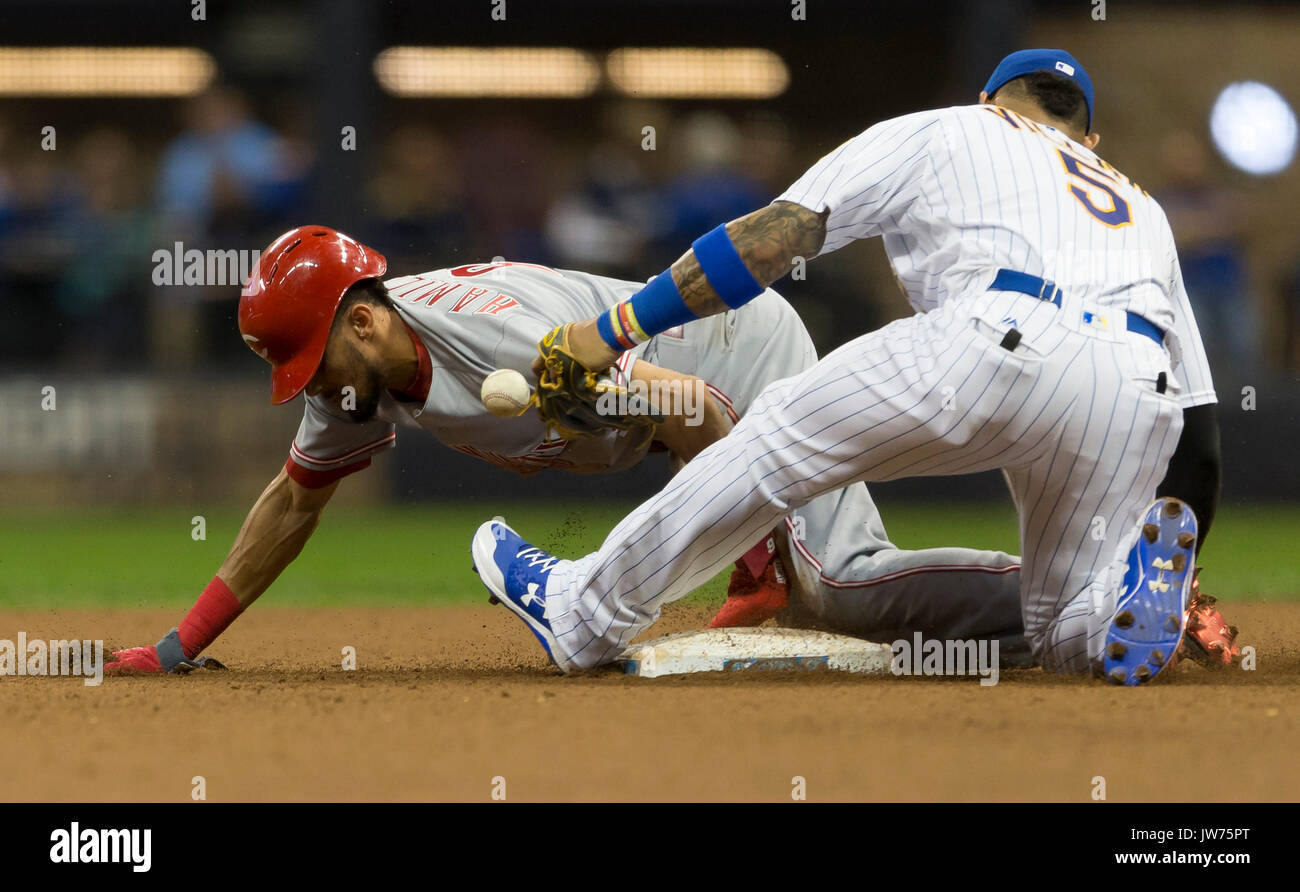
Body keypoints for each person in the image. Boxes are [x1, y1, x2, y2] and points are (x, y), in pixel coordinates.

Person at [469, 49, 1236, 684]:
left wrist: (613, 331)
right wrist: (1189, 552)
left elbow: (770, 241)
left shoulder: (954, 127)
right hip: (1138, 391)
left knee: (773, 438)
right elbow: (1200, 433)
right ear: (1089, 141)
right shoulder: (1144, 208)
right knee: (1063, 633)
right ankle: (1120, 609)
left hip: (1001, 332)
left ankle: (581, 612)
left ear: (991, 98)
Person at [103, 225, 1029, 674]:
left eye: (313, 362)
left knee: (843, 584)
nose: (311, 389)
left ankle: (1083, 598)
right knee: (821, 587)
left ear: (367, 319)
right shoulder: (361, 376)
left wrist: (758, 547)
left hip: (744, 354)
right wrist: (181, 644)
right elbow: (291, 502)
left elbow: (695, 409)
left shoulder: (506, 345)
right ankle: (1045, 616)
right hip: (675, 400)